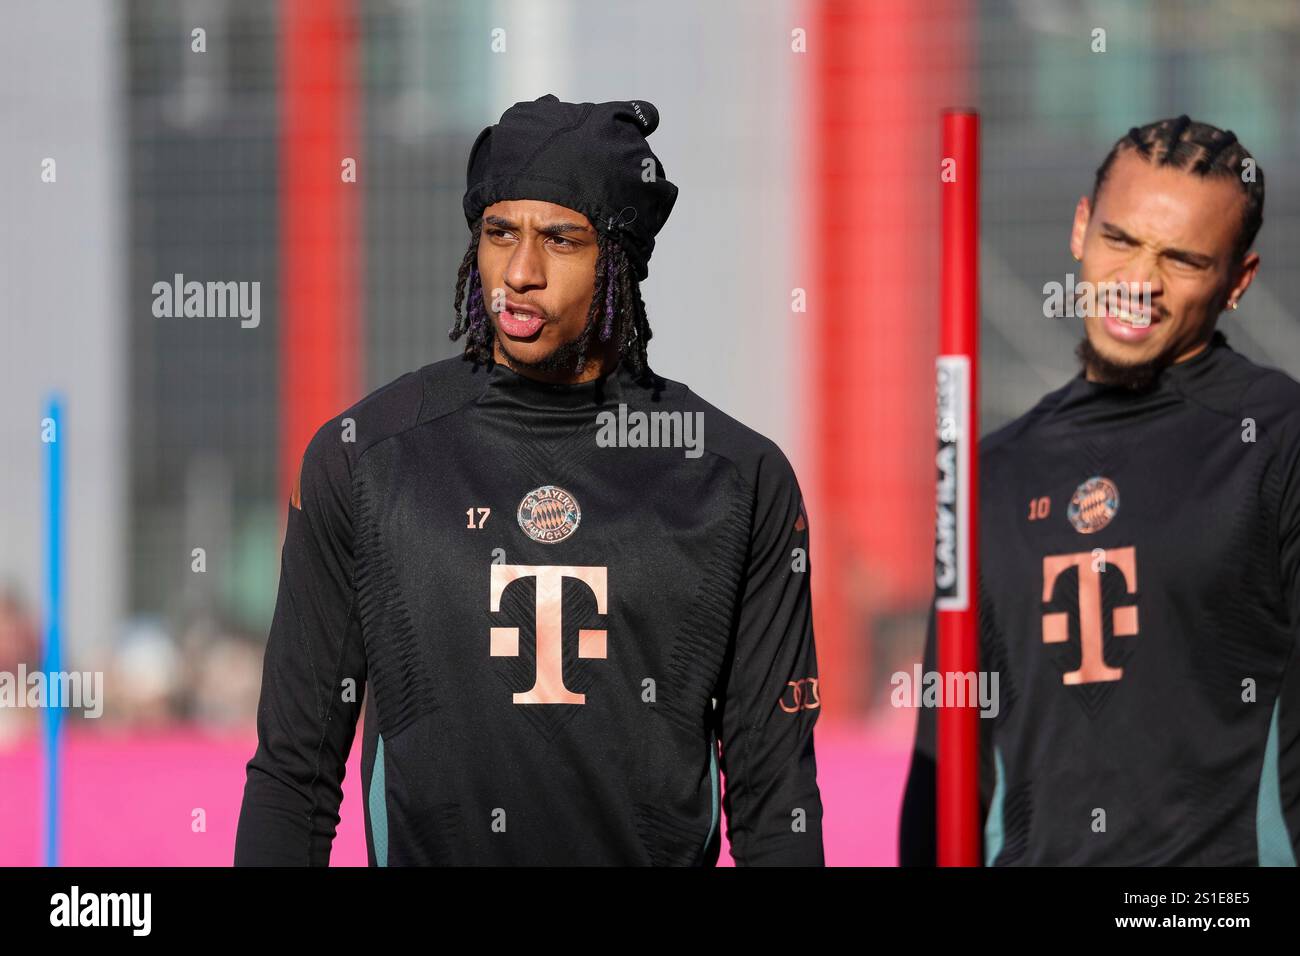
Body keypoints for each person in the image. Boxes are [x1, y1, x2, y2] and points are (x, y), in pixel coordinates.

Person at [235, 94, 825, 866]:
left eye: (561, 240)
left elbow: (774, 801)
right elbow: (293, 776)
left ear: (619, 260)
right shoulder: (363, 458)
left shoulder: (738, 479)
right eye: (499, 232)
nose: (520, 273)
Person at [901, 115, 1300, 865]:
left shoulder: (1278, 441)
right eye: (1120, 240)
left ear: (1238, 281)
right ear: (1082, 228)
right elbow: (942, 760)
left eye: (1182, 259)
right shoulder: (992, 471)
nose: (1137, 283)